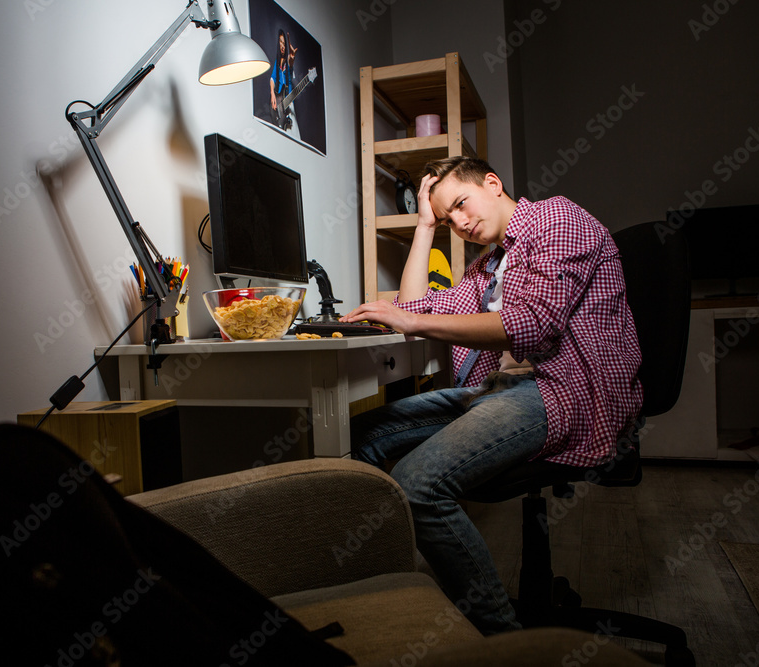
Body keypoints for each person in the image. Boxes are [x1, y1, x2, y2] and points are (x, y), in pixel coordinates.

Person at [339, 156, 642, 635]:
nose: (459, 223)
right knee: (362, 436)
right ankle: (379, 594)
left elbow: (532, 323)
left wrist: (413, 319)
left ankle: (504, 642)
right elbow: (418, 305)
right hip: (506, 390)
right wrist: (424, 224)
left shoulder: (556, 219)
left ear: (493, 184)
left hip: (568, 392)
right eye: (448, 219)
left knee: (419, 486)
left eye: (460, 204)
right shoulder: (489, 266)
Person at [269, 29, 300, 139]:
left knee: (293, 135)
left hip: (289, 103)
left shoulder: (287, 61)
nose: (282, 46)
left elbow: (290, 68)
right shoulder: (278, 63)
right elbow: (272, 78)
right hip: (280, 105)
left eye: (284, 43)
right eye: (280, 42)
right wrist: (272, 93)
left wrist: (292, 60)